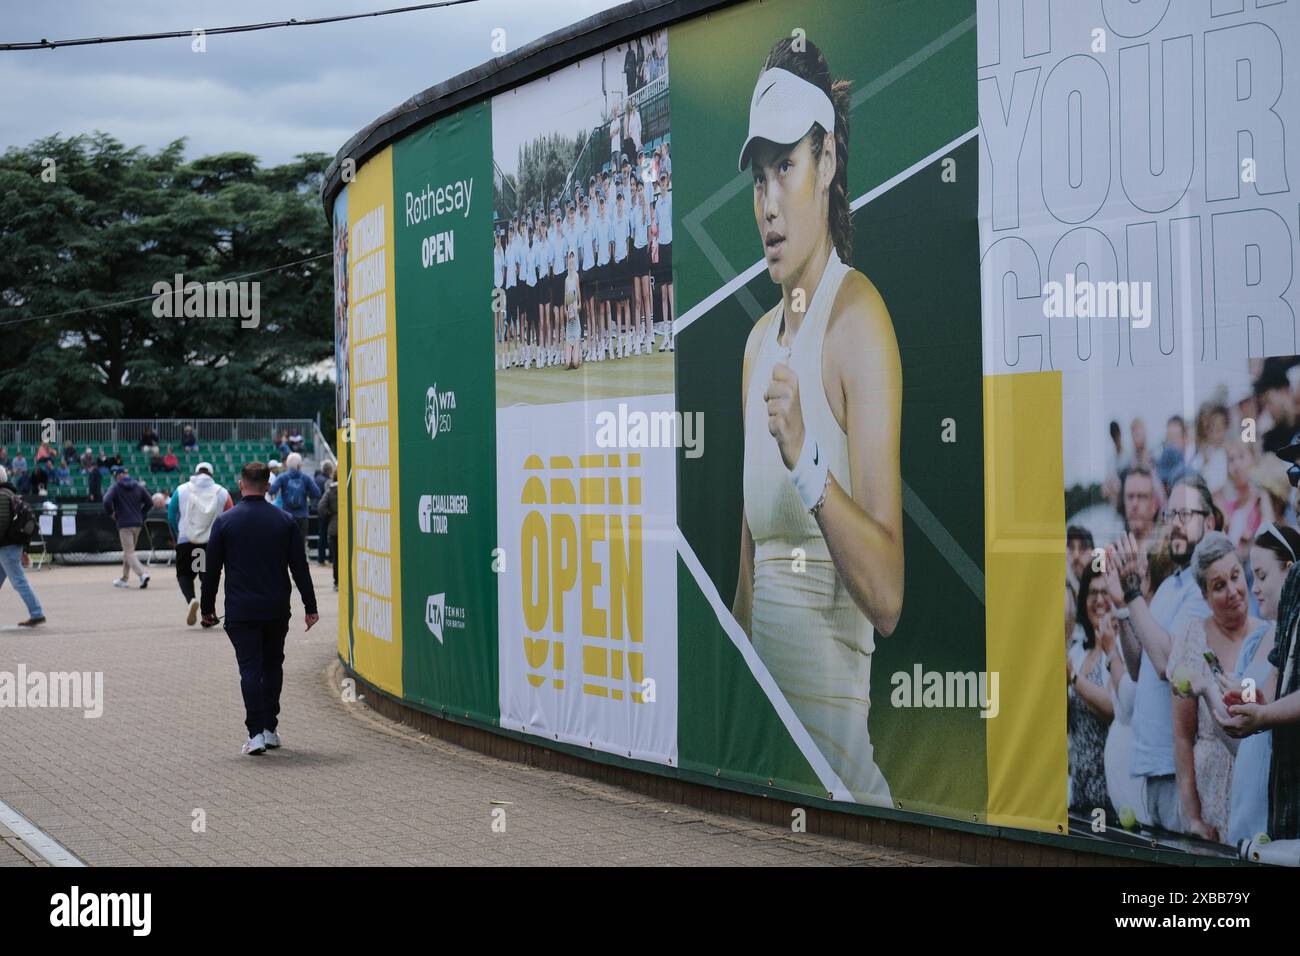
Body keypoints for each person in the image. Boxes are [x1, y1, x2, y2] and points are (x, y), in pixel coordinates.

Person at [731, 37, 903, 807]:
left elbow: (889, 597)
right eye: (759, 177)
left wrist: (805, 459)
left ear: (827, 162)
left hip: (843, 806)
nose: (769, 203)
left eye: (787, 168)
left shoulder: (859, 321)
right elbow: (745, 594)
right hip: (765, 789)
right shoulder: (754, 347)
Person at [1108, 475, 1218, 833]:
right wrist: (1124, 607)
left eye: (1185, 514)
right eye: (1171, 514)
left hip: (1180, 772)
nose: (1175, 524)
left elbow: (1167, 663)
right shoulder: (1171, 584)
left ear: (1210, 522)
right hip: (1153, 769)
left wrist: (1133, 596)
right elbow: (1139, 666)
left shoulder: (1206, 586)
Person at [201, 462, 319, 756]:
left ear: (241, 485)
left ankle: (254, 734)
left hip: (241, 610)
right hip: (276, 608)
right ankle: (270, 728)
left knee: (250, 669)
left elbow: (211, 570)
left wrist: (207, 607)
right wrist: (310, 606)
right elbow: (299, 567)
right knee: (273, 665)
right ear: (268, 486)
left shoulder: (225, 522)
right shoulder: (285, 521)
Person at [1166, 531, 1271, 843]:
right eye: (1219, 586)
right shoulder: (1191, 638)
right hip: (1210, 793)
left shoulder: (1267, 635)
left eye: (1236, 576)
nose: (1233, 591)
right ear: (1205, 596)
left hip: (1255, 791)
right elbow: (1182, 738)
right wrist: (1194, 817)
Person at [1068, 564, 1118, 819]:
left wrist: (1073, 679)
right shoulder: (1077, 652)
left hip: (1112, 796)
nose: (1099, 600)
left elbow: (1113, 708)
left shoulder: (1120, 651)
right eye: (1092, 593)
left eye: (1105, 592)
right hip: (1078, 793)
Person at [167, 462, 233, 626]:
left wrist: (179, 531)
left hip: (186, 541)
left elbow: (171, 514)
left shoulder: (181, 490)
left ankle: (191, 600)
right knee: (207, 578)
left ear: (196, 472)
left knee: (184, 574)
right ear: (211, 474)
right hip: (210, 544)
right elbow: (230, 517)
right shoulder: (222, 492)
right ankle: (207, 613)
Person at [0, 465, 45, 626]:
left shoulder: (1, 495)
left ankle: (37, 612)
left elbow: (2, 522)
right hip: (9, 546)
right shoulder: (10, 494)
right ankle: (37, 612)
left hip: (6, 547)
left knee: (19, 582)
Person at [102, 467, 154, 589]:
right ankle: (124, 579)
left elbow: (106, 501)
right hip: (138, 523)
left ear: (119, 475)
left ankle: (142, 574)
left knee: (129, 552)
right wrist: (142, 514)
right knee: (129, 552)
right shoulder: (138, 486)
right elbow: (150, 502)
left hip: (125, 523)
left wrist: (111, 513)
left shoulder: (116, 487)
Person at [270, 452, 321, 546]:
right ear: (299, 465)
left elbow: (271, 490)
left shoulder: (283, 477)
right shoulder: (306, 478)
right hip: (302, 515)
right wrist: (307, 494)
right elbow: (317, 492)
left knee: (287, 543)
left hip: (287, 515)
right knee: (301, 544)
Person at [654, 168, 675, 352]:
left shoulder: (670, 200)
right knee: (663, 293)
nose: (662, 183)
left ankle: (674, 333)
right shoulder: (657, 203)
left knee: (671, 291)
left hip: (671, 246)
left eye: (664, 179)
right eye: (660, 180)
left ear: (667, 182)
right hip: (662, 246)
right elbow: (658, 228)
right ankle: (666, 336)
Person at [317, 471, 340, 591]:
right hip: (349, 528)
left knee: (336, 557)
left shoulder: (331, 490)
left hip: (335, 527)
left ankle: (337, 582)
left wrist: (329, 515)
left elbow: (321, 507)